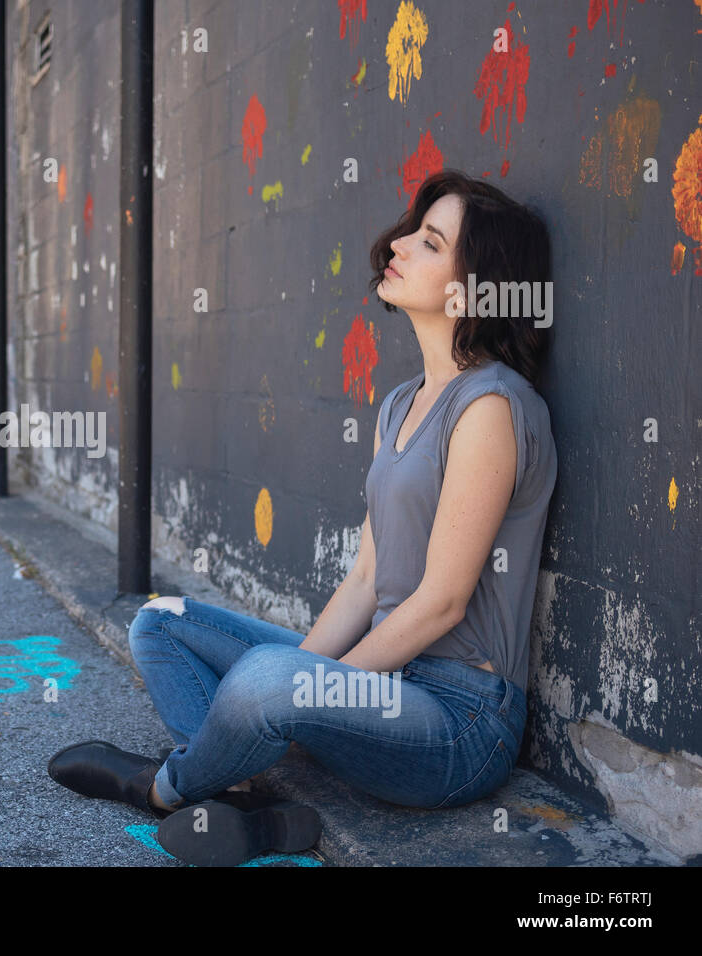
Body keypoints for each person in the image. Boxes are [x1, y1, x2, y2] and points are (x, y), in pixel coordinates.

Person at [48, 169, 558, 867]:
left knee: (269, 680)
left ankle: (164, 789)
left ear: (473, 290)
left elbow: (441, 603)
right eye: (413, 228)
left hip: (459, 723)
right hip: (387, 687)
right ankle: (248, 800)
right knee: (161, 620)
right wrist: (306, 686)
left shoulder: (491, 409)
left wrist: (303, 688)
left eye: (430, 241)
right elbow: (366, 580)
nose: (400, 244)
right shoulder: (401, 404)